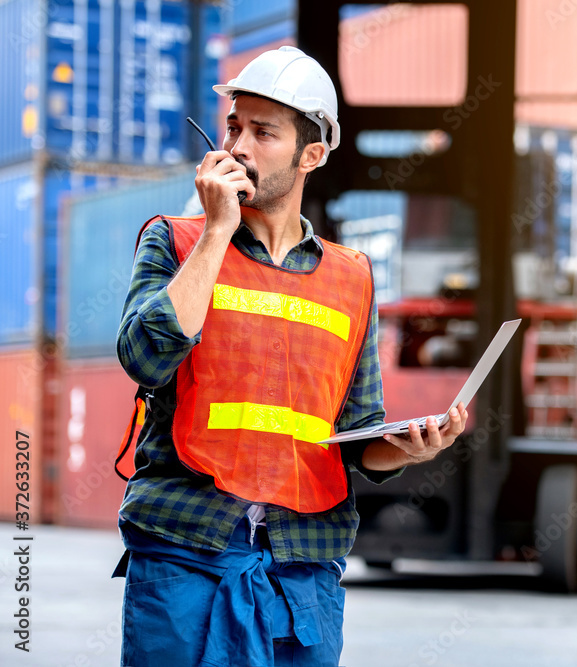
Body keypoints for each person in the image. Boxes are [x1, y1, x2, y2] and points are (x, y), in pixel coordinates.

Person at [113, 46, 468, 667]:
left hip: (301, 569)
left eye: (263, 131)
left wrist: (413, 447)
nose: (239, 146)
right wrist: (218, 229)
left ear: (312, 154)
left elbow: (358, 437)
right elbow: (144, 357)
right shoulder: (176, 241)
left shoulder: (350, 277)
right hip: (184, 553)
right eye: (233, 127)